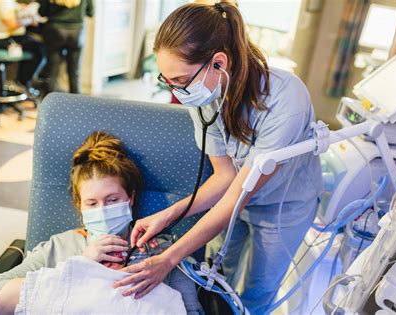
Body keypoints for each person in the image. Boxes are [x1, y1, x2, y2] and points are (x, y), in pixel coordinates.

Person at [113, 3, 323, 314]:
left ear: (218, 62)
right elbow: (224, 177)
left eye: (182, 80)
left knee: (257, 291)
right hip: (235, 201)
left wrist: (169, 259)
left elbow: (239, 192)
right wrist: (166, 216)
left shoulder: (285, 98)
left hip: (284, 206)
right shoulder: (206, 97)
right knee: (218, 275)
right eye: (168, 81)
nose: (177, 91)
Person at [0, 131, 201, 314]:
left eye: (112, 200)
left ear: (130, 198)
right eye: (92, 203)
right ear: (80, 206)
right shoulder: (60, 247)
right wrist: (80, 265)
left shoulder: (163, 253)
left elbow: (191, 311)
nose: (103, 210)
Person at [0, 0, 46, 90]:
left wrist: (19, 7)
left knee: (31, 42)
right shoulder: (2, 2)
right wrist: (31, 20)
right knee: (39, 50)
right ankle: (20, 85)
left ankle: (21, 83)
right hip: (0, 37)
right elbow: (11, 24)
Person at [38, 0, 94, 94]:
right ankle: (76, 103)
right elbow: (90, 12)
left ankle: (48, 104)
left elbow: (42, 12)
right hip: (76, 33)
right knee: (74, 72)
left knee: (52, 70)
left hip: (55, 32)